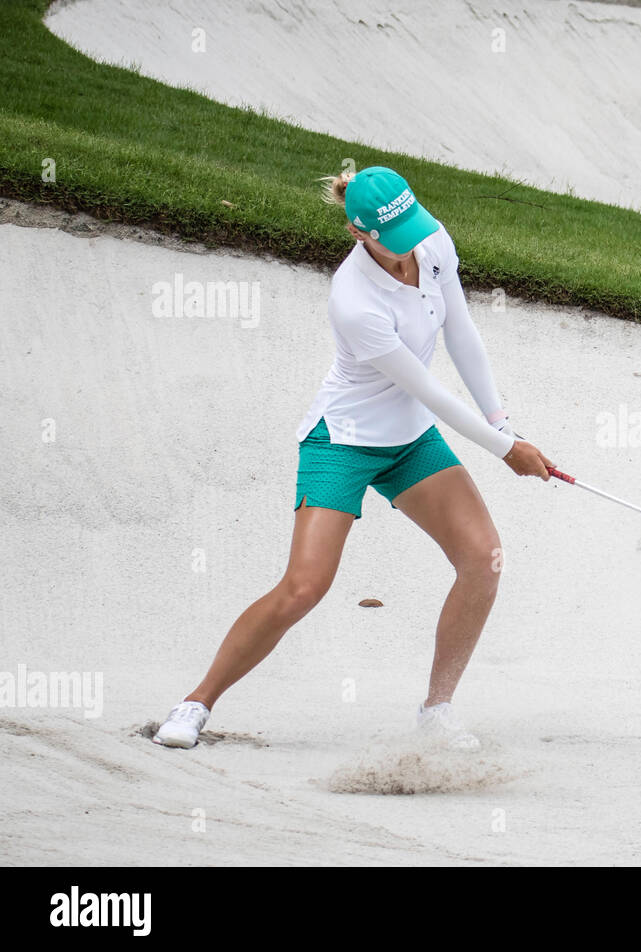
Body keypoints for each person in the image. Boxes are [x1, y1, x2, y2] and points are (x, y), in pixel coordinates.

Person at [153, 165, 554, 751]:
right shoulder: (354, 299)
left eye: (411, 228)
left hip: (410, 442)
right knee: (303, 587)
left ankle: (436, 710)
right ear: (357, 232)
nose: (407, 246)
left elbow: (462, 332)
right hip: (343, 440)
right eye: (391, 237)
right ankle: (195, 702)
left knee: (482, 558)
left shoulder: (432, 241)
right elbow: (429, 390)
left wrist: (502, 423)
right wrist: (505, 450)